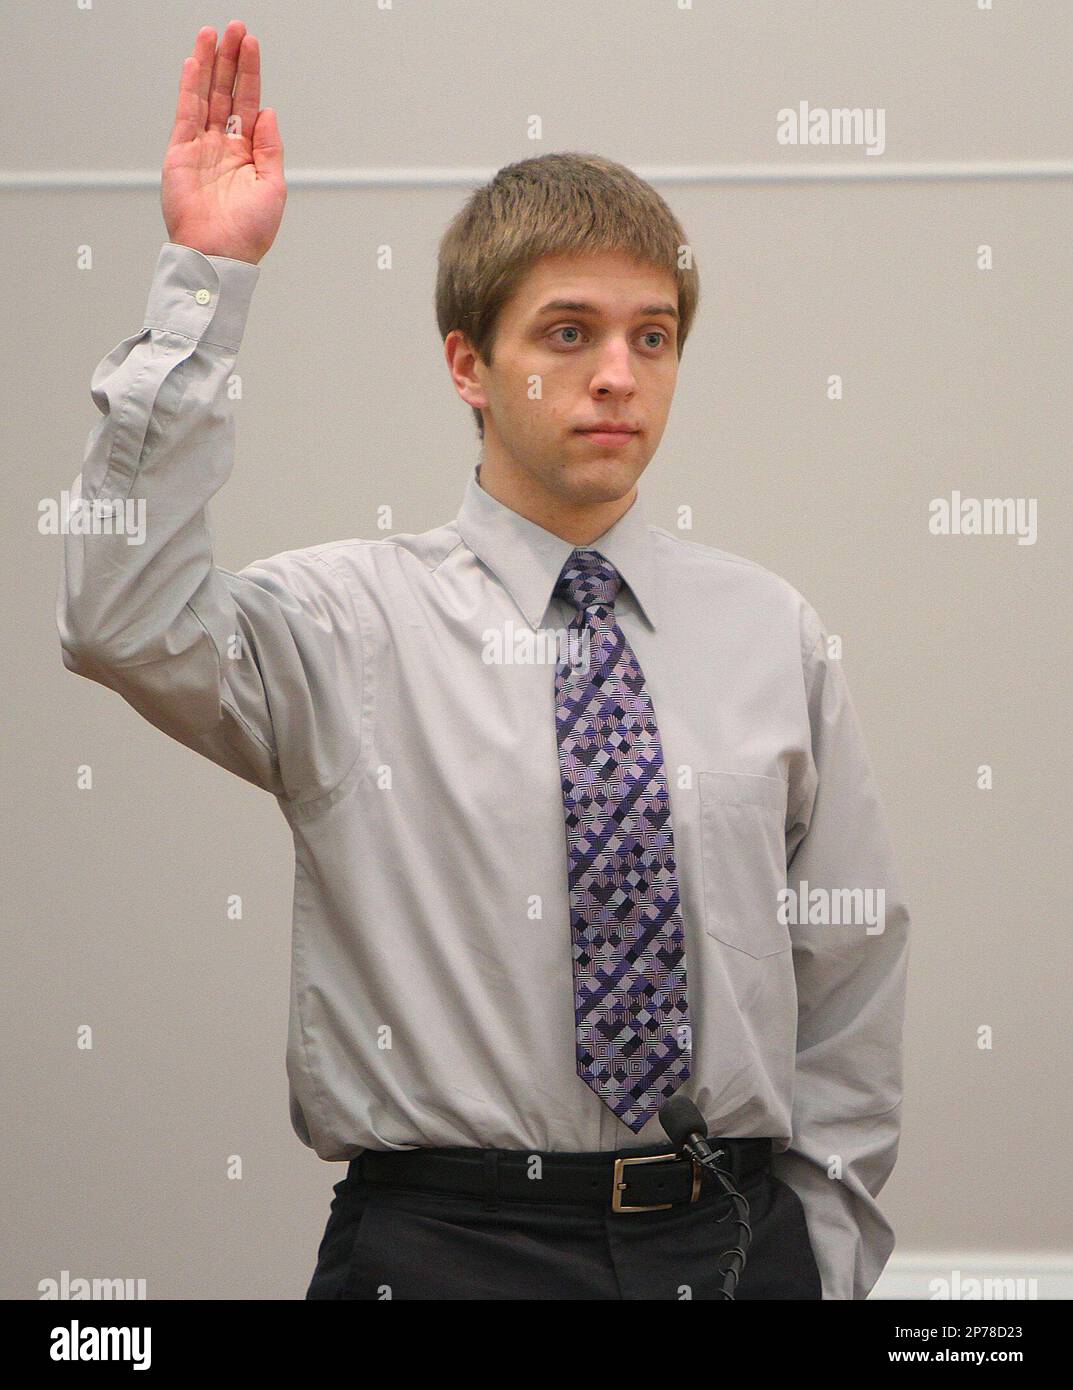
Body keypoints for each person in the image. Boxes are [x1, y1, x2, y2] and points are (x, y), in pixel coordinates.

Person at [57, 21, 910, 1300]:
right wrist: (203, 283)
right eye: (566, 333)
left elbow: (847, 963)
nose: (616, 375)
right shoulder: (343, 621)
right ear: (469, 363)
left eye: (652, 335)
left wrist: (820, 1256)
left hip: (724, 1245)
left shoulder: (768, 631)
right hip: (449, 1245)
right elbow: (117, 612)